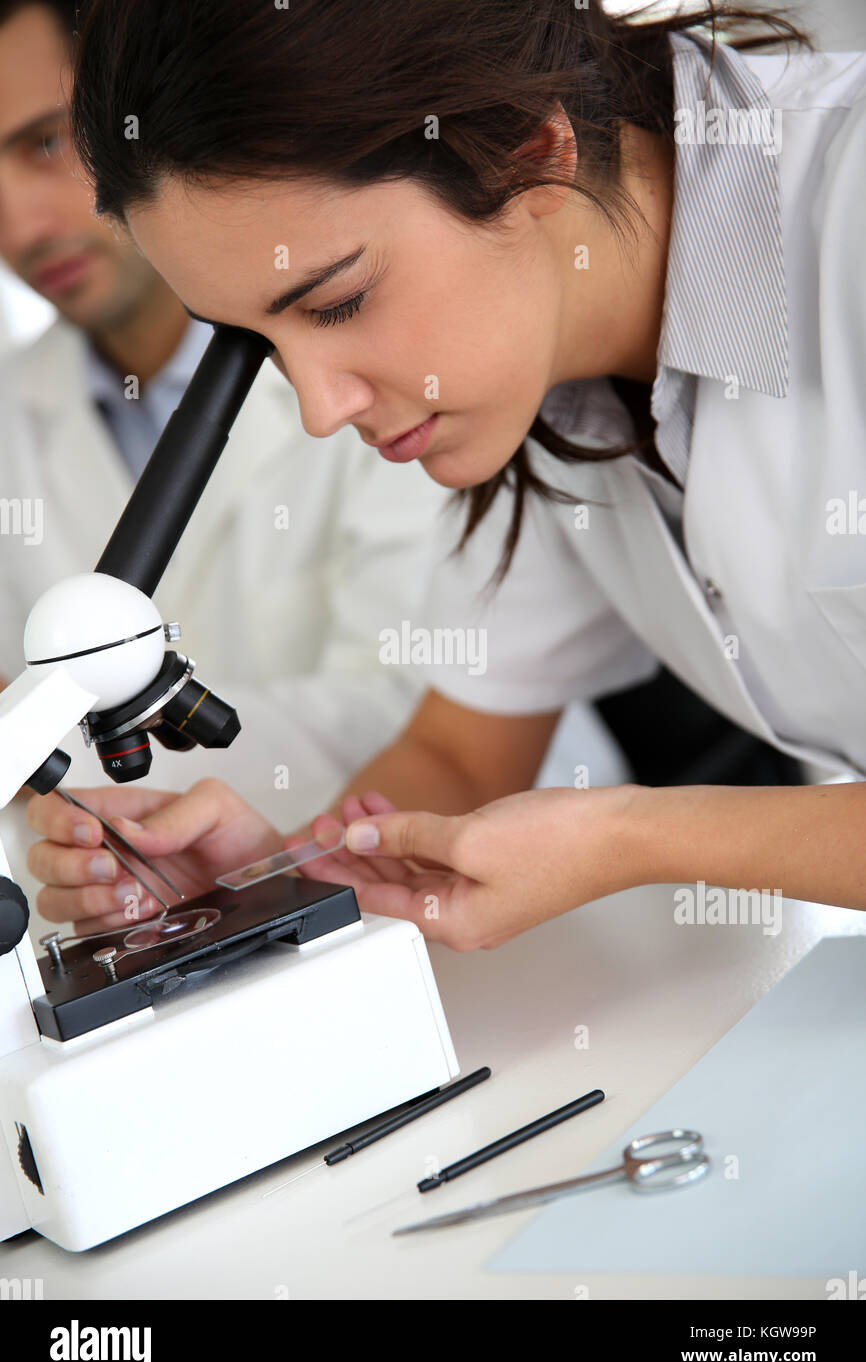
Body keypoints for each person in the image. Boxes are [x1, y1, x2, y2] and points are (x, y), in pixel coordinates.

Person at [27, 0, 866, 946]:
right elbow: (461, 759)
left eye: (338, 303)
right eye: (259, 345)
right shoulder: (542, 370)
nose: (319, 410)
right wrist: (272, 886)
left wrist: (631, 838)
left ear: (529, 150)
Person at [0, 0, 446, 892]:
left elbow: (420, 703)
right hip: (193, 916)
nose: (19, 229)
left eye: (45, 143)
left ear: (144, 112)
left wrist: (52, 768)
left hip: (509, 914)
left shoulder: (383, 340)